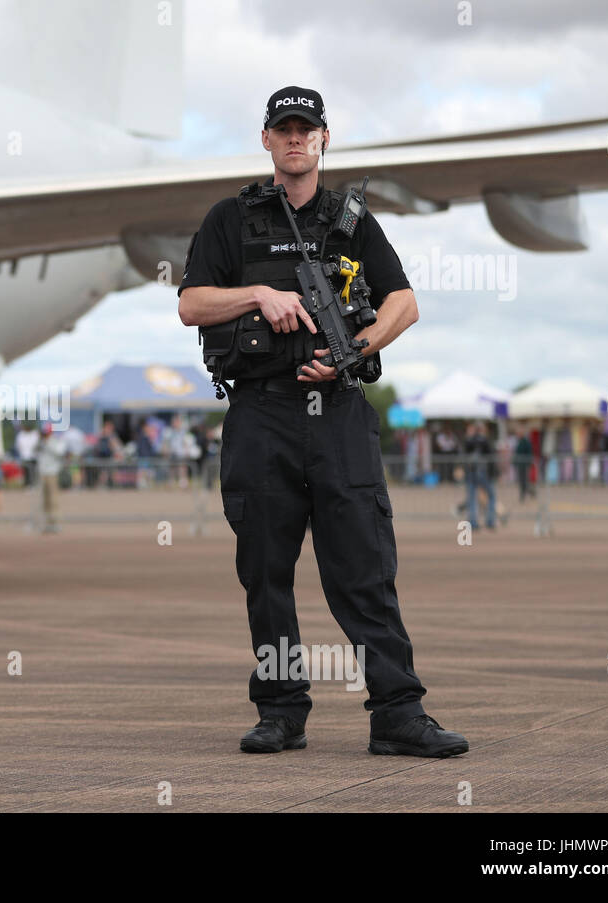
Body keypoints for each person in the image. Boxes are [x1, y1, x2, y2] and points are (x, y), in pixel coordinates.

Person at [177, 86, 466, 758]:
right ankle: (281, 710)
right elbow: (191, 304)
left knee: (363, 567)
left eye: (307, 129)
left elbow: (404, 303)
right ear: (268, 140)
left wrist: (354, 354)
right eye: (285, 129)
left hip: (336, 413)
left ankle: (397, 712)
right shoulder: (230, 219)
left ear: (325, 139)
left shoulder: (353, 222)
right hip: (261, 411)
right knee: (266, 569)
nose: (296, 139)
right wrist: (259, 294)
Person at [461, 421, 498, 530]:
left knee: (472, 497)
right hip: (483, 472)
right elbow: (491, 457)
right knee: (491, 495)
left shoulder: (469, 440)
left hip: (471, 472)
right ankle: (490, 520)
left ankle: (473, 522)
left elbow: (464, 454)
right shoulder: (485, 441)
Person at [35, 423, 65, 533]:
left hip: (52, 473)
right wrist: (40, 442)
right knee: (45, 500)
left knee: (53, 499)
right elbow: (34, 451)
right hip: (42, 472)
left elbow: (59, 453)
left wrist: (47, 444)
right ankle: (46, 523)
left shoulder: (56, 442)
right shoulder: (40, 442)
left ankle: (55, 523)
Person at [513, 425, 535, 501]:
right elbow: (516, 453)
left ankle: (527, 493)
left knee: (525, 481)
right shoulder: (519, 442)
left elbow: (529, 452)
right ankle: (526, 493)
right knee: (522, 481)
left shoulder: (525, 442)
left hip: (525, 464)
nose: (517, 435)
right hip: (520, 464)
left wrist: (528, 462)